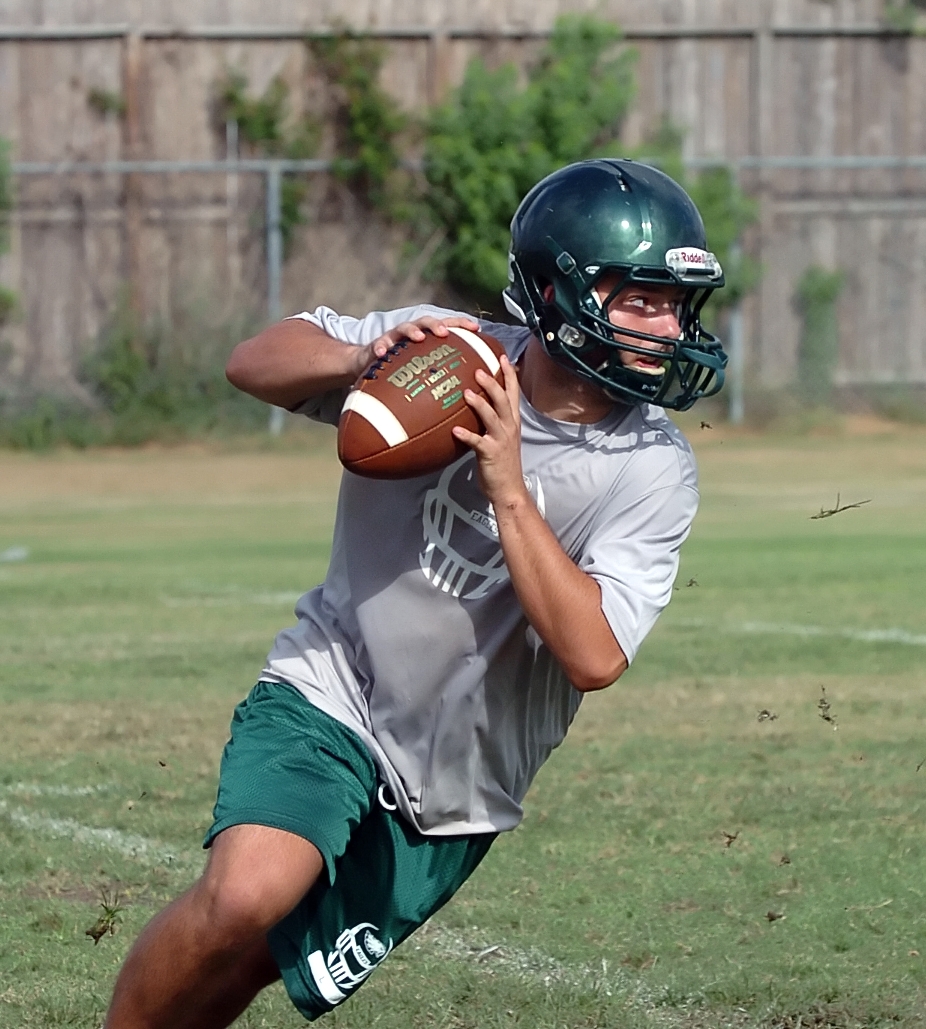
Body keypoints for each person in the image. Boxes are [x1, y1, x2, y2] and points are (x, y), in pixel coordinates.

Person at [104, 158, 727, 1028]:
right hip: (334, 684)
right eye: (642, 298)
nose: (667, 326)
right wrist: (359, 356)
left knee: (251, 956)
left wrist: (509, 483)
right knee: (244, 895)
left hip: (458, 779)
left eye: (674, 303)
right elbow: (254, 362)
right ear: (555, 291)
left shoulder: (655, 467)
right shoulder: (445, 356)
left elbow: (593, 656)